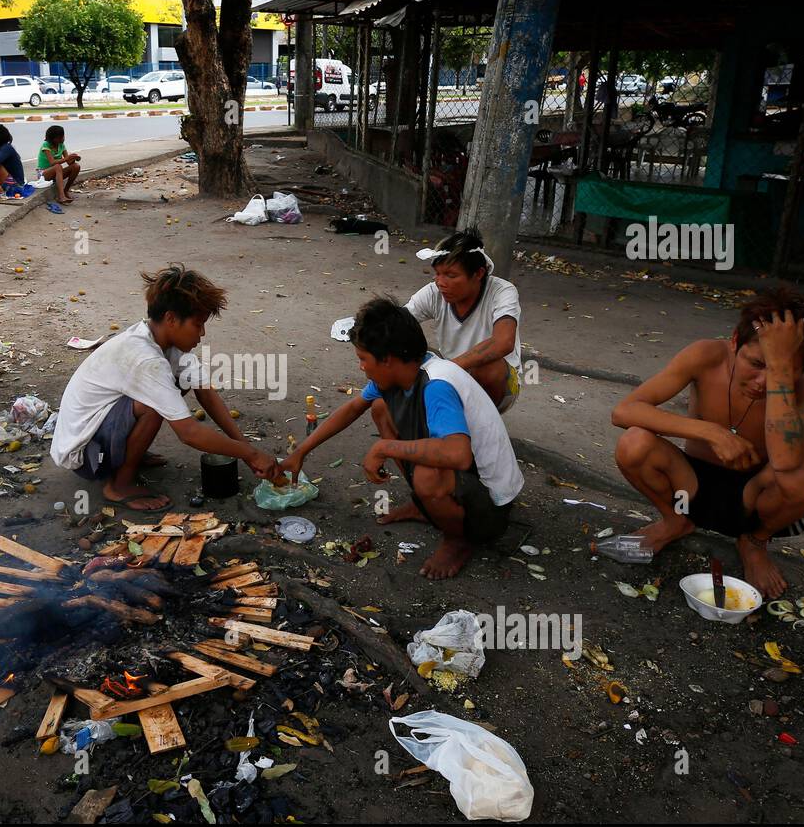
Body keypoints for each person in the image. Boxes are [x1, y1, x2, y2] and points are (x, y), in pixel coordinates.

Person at [611, 287, 804, 598]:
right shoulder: (706, 355)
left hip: (756, 495)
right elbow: (624, 411)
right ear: (734, 341)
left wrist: (780, 366)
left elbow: (784, 461)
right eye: (756, 364)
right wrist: (711, 432)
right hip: (689, 485)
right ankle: (675, 521)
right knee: (634, 442)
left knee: (802, 478)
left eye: (783, 371)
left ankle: (754, 543)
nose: (763, 383)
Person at [281, 297, 524, 580]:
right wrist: (301, 452)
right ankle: (428, 506)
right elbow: (351, 409)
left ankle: (457, 541)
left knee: (427, 475)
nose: (361, 367)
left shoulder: (437, 384)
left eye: (363, 359)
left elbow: (458, 454)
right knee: (380, 408)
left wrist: (384, 446)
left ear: (387, 359)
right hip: (464, 480)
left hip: (490, 509)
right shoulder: (403, 373)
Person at [50, 265, 277, 511]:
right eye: (197, 324)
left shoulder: (165, 343)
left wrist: (247, 450)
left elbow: (206, 394)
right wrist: (252, 454)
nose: (202, 333)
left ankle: (129, 455)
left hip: (100, 430)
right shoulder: (146, 359)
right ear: (170, 319)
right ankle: (119, 485)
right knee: (153, 405)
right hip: (85, 455)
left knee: (173, 386)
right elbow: (188, 433)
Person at [405, 228, 522, 412]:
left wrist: (448, 370)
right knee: (402, 352)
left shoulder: (502, 291)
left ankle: (480, 425)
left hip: (502, 383)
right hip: (450, 374)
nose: (440, 282)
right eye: (437, 273)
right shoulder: (433, 292)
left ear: (478, 273)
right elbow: (397, 323)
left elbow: (504, 342)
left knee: (489, 368)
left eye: (451, 275)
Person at [37, 124, 80, 204]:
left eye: (63, 136)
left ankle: (66, 190)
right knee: (57, 166)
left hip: (57, 173)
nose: (62, 139)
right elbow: (52, 162)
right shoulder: (46, 145)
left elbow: (69, 162)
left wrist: (74, 158)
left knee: (76, 166)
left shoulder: (61, 145)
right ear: (53, 139)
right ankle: (61, 196)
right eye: (60, 137)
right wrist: (67, 158)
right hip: (43, 174)